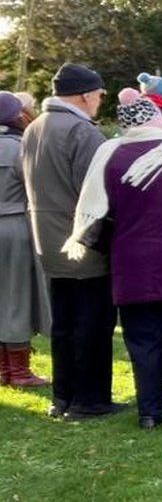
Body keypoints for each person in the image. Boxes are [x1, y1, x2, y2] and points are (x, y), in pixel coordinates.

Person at [64, 88, 162, 430]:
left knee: (143, 341)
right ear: (155, 117)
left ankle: (149, 413)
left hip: (134, 261)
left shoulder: (110, 155)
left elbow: (100, 208)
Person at [21, 63, 123, 419]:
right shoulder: (82, 132)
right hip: (84, 244)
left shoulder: (34, 127)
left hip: (47, 243)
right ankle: (90, 400)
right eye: (98, 94)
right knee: (92, 325)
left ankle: (63, 397)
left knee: (63, 326)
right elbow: (97, 194)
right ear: (83, 94)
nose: (99, 100)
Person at [0, 92, 50, 387]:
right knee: (16, 298)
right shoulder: (20, 148)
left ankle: (4, 369)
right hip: (15, 226)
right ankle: (18, 371)